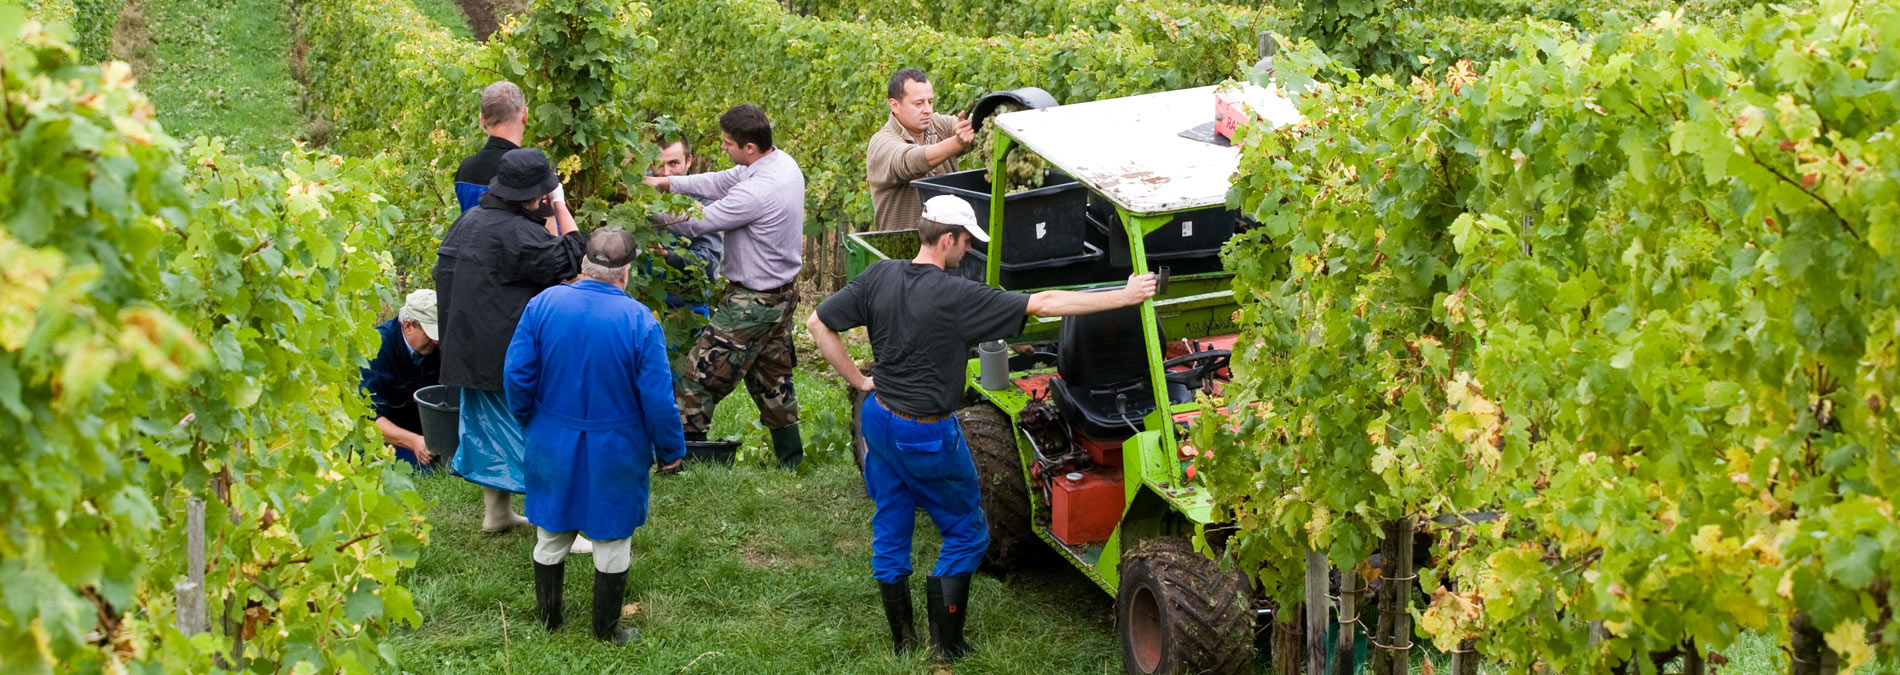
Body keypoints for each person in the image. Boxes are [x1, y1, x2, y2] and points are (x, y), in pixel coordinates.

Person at [807, 196, 1157, 661]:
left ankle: (903, 644)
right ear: (947, 238)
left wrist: (859, 381)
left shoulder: (880, 275)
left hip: (879, 418)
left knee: (892, 520)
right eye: (967, 241)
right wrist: (1126, 296)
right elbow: (1045, 302)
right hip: (926, 434)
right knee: (968, 533)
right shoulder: (957, 296)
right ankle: (945, 648)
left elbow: (817, 323)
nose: (969, 249)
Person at [505, 229, 686, 645]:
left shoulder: (542, 305)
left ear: (583, 264)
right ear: (625, 273)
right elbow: (658, 400)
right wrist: (670, 451)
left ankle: (549, 621)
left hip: (551, 437)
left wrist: (528, 419)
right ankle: (607, 631)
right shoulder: (640, 321)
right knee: (612, 535)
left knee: (550, 530)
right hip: (616, 447)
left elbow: (516, 375)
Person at [643, 105, 808, 468]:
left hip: (753, 301)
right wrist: (665, 183)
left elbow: (695, 223)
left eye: (727, 143)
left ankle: (685, 462)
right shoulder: (781, 163)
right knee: (772, 377)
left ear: (749, 147)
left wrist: (644, 206)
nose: (722, 147)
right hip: (781, 295)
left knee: (699, 376)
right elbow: (719, 181)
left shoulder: (758, 192)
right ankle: (792, 462)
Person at [434, 147, 586, 534]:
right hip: (505, 359)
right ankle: (555, 530)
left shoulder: (469, 220)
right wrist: (560, 206)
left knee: (488, 433)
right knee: (534, 437)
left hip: (466, 352)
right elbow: (573, 258)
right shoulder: (518, 233)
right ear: (536, 194)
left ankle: (497, 515)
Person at [453, 81, 568, 236]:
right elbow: (550, 237)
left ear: (482, 120)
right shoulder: (529, 170)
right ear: (525, 115)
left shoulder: (465, 169)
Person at [867, 68, 975, 232]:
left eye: (930, 102)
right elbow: (910, 161)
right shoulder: (881, 143)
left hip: (950, 241)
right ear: (894, 105)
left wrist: (973, 125)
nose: (927, 110)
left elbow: (966, 128)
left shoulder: (938, 125)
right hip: (905, 244)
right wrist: (957, 142)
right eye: (918, 104)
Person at [359, 289, 443, 471]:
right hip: (389, 439)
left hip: (426, 435)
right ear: (408, 326)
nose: (436, 341)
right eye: (430, 334)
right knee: (423, 471)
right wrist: (413, 441)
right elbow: (369, 420)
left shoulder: (438, 346)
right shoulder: (376, 350)